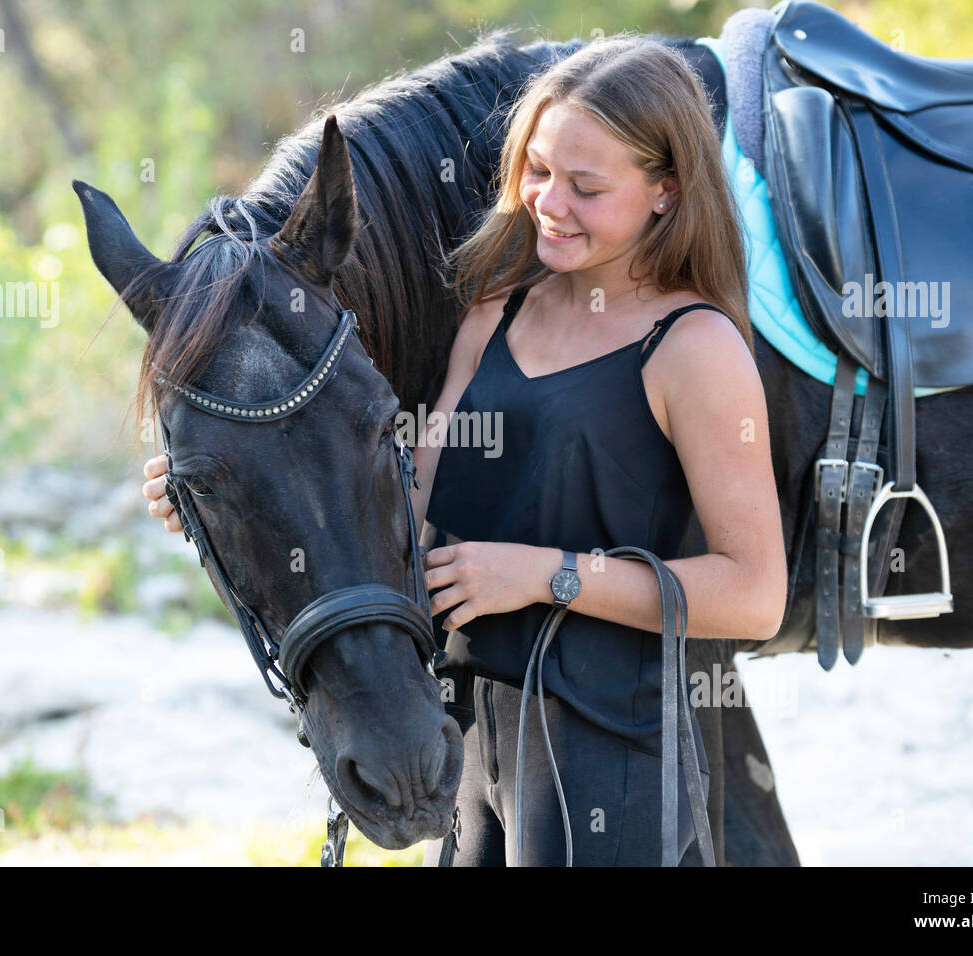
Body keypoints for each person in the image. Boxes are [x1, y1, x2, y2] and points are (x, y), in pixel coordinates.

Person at [142, 36, 786, 866]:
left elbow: (754, 594)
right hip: (470, 737)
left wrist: (544, 575)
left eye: (587, 187)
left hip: (606, 752)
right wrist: (221, 489)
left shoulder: (695, 347)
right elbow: (412, 505)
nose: (550, 203)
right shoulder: (495, 312)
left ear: (665, 194)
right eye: (538, 171)